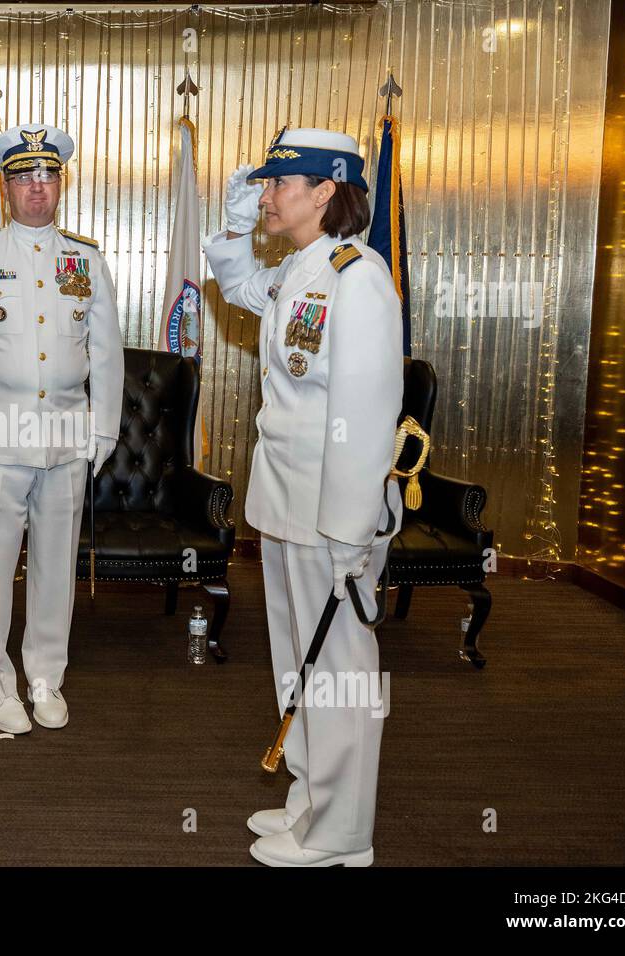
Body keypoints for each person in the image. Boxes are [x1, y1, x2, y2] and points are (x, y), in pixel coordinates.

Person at [203, 127, 403, 867]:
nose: (267, 196)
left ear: (324, 191)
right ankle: (311, 798)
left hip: (333, 512)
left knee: (342, 669)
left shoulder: (359, 278)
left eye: (278, 184)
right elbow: (235, 287)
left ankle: (343, 834)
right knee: (298, 660)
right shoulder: (299, 270)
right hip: (288, 503)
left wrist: (352, 530)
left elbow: (368, 412)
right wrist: (231, 227)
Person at [0, 124, 125, 735]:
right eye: (23, 177)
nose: (36, 188)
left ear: (61, 183)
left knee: (54, 568)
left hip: (66, 439)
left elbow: (108, 352)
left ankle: (45, 675)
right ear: (5, 186)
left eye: (47, 175)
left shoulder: (86, 260)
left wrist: (105, 432)